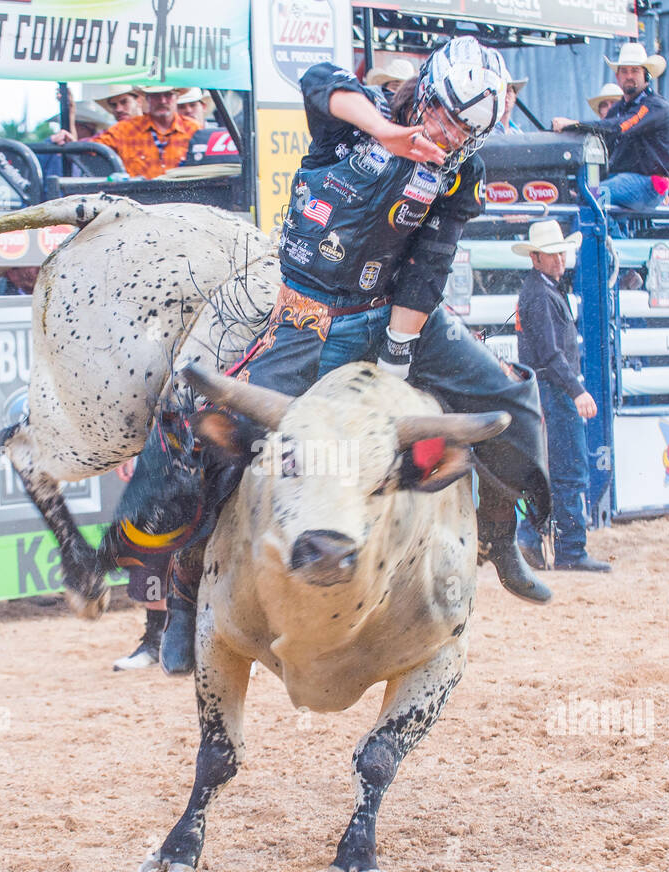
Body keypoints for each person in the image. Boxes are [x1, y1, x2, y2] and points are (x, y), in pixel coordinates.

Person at [94, 36, 554, 674]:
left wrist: (397, 347)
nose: (448, 135)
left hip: (397, 313)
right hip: (304, 317)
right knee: (208, 439)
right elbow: (318, 80)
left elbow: (431, 262)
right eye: (444, 116)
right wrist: (390, 133)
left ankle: (503, 536)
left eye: (463, 129)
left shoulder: (461, 169)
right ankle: (181, 600)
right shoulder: (353, 122)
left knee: (509, 397)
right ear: (425, 89)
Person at [512, 220, 610, 573]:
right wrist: (577, 389)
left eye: (561, 253)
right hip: (553, 391)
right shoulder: (542, 294)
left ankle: (531, 536)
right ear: (536, 257)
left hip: (545, 390)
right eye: (553, 255)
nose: (560, 260)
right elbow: (552, 355)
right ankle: (570, 548)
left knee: (549, 468)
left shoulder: (539, 290)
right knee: (568, 470)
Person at [550, 42, 669, 213]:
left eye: (635, 70)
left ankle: (606, 239)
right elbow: (603, 142)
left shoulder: (655, 106)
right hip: (623, 180)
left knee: (592, 195)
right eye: (624, 71)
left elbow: (621, 127)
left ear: (646, 75)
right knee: (584, 194)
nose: (629, 75)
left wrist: (575, 125)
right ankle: (615, 237)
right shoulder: (618, 109)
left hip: (647, 183)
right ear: (617, 76)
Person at [93, 86, 199, 178]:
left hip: (183, 198)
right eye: (156, 95)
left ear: (177, 97)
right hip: (138, 198)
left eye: (168, 95)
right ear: (147, 98)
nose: (162, 101)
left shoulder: (193, 129)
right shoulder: (124, 130)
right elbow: (87, 147)